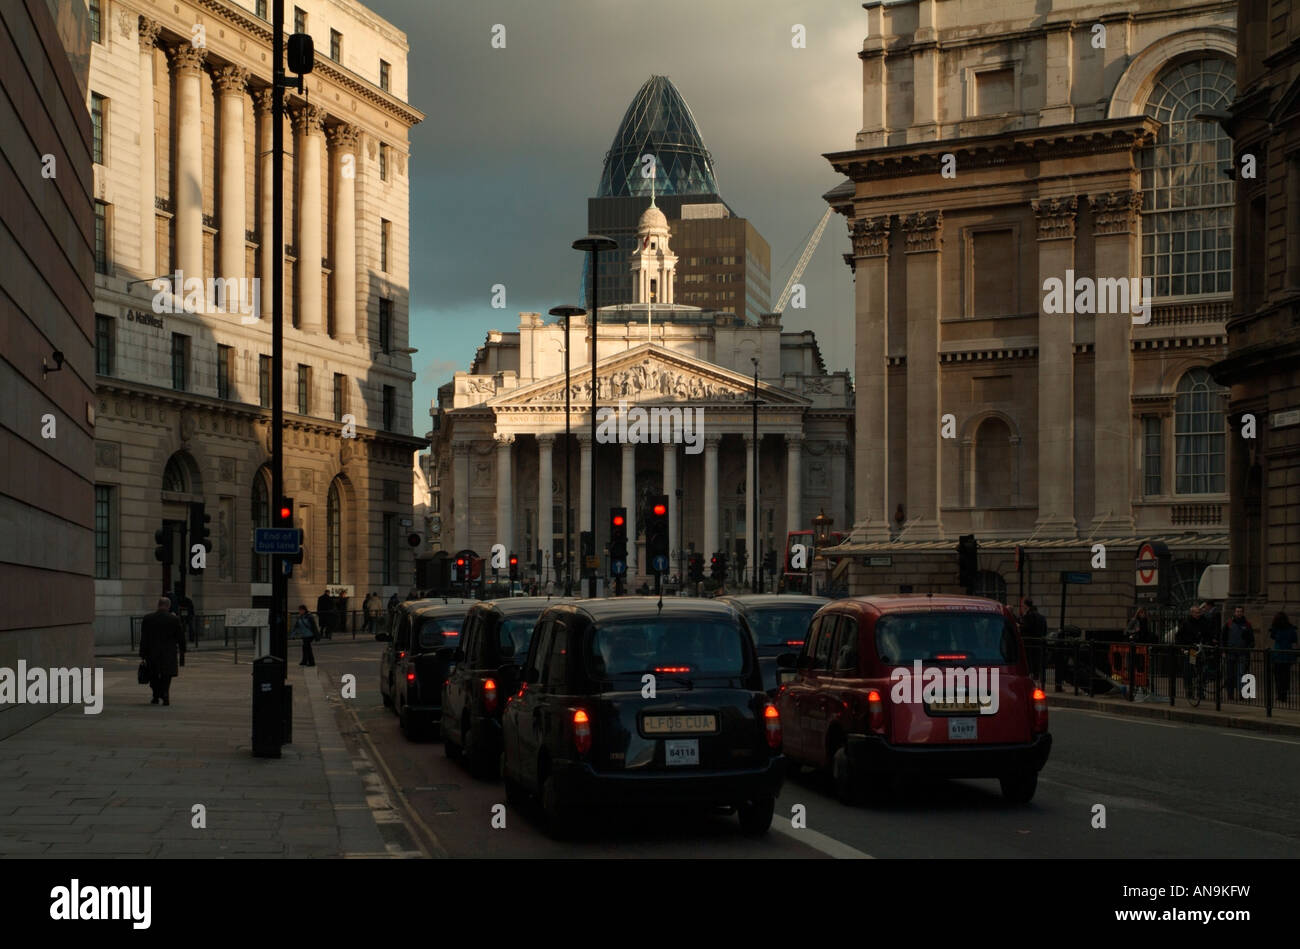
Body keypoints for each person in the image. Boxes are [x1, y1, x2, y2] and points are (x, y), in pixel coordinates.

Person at [139, 596, 186, 705]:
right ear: (168, 606)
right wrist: (183, 650)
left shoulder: (148, 618)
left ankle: (155, 695)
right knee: (167, 674)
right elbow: (180, 637)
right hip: (168, 652)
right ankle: (165, 694)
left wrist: (142, 653)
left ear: (158, 605)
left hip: (151, 652)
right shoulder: (174, 619)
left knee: (153, 674)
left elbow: (144, 637)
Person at [1221, 605, 1255, 700]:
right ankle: (1230, 694)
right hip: (1231, 652)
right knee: (1230, 674)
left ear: (1243, 613)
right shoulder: (1229, 624)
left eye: (1240, 611)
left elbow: (1251, 639)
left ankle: (1242, 694)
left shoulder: (1247, 624)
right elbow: (1223, 637)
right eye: (1237, 611)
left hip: (1242, 652)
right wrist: (1223, 650)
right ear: (1234, 612)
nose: (1239, 613)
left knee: (1241, 674)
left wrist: (1249, 648)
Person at [1268, 612, 1297, 703]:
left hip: (1277, 655)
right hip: (1287, 655)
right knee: (1286, 676)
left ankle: (1279, 694)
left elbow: (1272, 636)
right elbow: (1294, 639)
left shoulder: (1275, 629)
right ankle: (1284, 694)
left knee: (1278, 676)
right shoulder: (1291, 629)